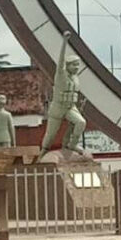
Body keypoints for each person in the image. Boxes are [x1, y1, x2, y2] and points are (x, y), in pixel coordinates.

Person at [38, 30, 86, 160]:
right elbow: (60, 62)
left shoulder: (76, 78)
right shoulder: (61, 76)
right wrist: (64, 42)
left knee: (81, 122)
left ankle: (72, 144)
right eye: (74, 65)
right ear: (68, 66)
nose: (76, 67)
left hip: (70, 107)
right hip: (58, 107)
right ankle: (43, 151)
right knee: (51, 134)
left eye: (78, 65)